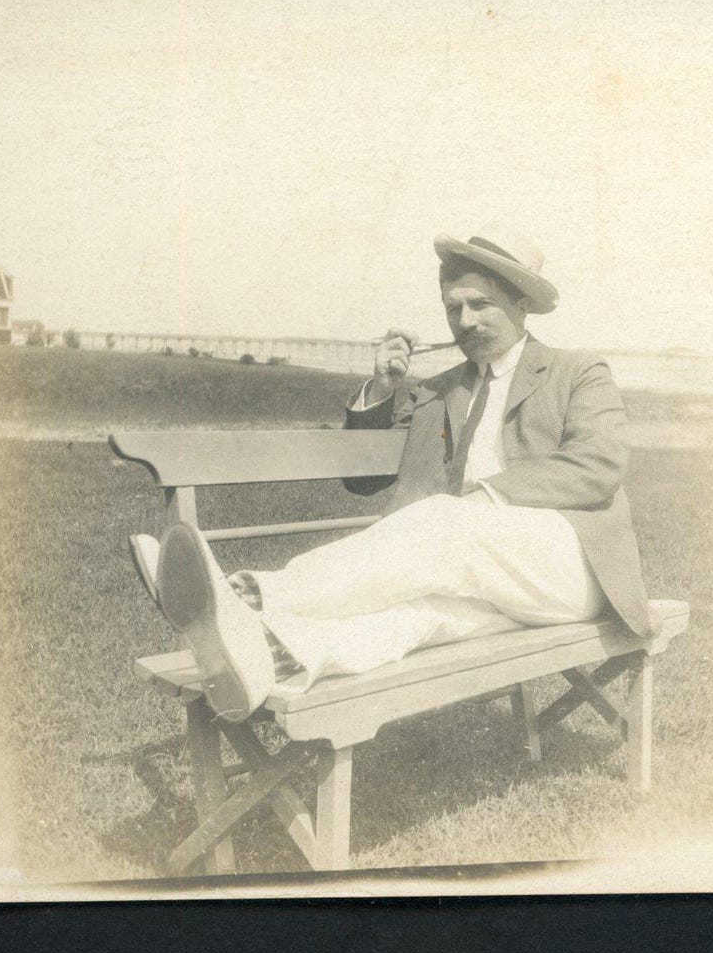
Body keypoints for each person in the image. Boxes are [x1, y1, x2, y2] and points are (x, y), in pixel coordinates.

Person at [155, 232, 653, 723]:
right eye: (453, 308)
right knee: (419, 618)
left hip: (570, 569)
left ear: (522, 304)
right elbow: (363, 480)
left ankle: (251, 596)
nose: (466, 321)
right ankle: (267, 656)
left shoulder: (578, 372)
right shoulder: (437, 392)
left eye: (481, 305)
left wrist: (486, 497)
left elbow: (599, 464)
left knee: (443, 519)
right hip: (476, 576)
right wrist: (382, 387)